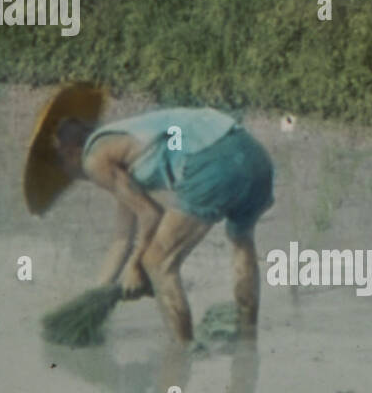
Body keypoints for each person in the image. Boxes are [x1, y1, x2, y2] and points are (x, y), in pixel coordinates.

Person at [52, 107, 274, 343]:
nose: (64, 174)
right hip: (252, 154)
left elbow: (151, 214)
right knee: (242, 242)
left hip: (212, 161)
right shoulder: (118, 146)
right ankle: (249, 341)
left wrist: (136, 266)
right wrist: (95, 297)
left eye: (60, 164)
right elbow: (122, 240)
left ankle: (182, 352)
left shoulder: (93, 159)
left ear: (70, 152)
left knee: (157, 263)